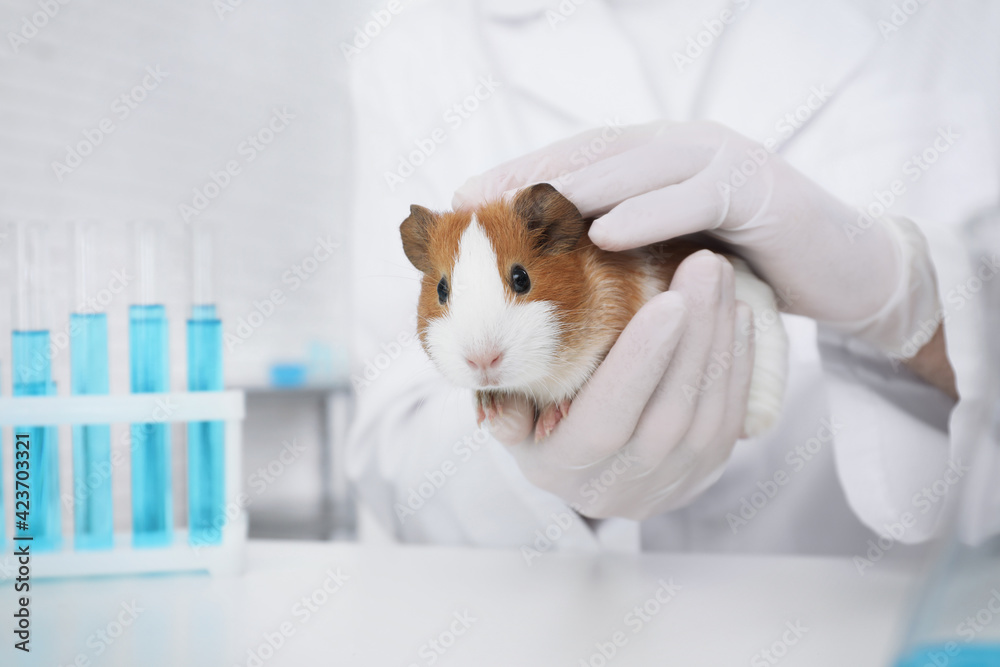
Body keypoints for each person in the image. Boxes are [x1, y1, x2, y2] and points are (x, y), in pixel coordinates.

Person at [345, 0, 1000, 555]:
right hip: (564, 625)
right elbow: (390, 434)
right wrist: (550, 477)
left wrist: (906, 298)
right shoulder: (418, 31)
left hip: (870, 615)